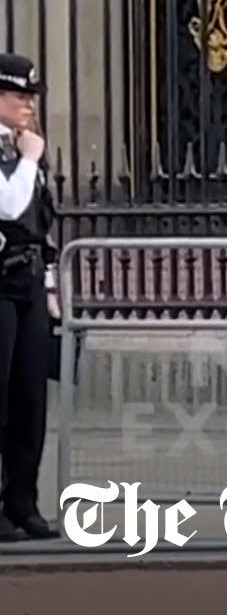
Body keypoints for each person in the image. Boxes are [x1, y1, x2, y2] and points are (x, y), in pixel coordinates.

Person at [0, 53, 57, 541]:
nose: (29, 106)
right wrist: (30, 158)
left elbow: (41, 218)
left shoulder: (25, 145)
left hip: (29, 280)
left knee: (29, 398)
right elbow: (8, 205)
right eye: (20, 96)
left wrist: (52, 285)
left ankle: (22, 500)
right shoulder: (25, 150)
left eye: (31, 97)